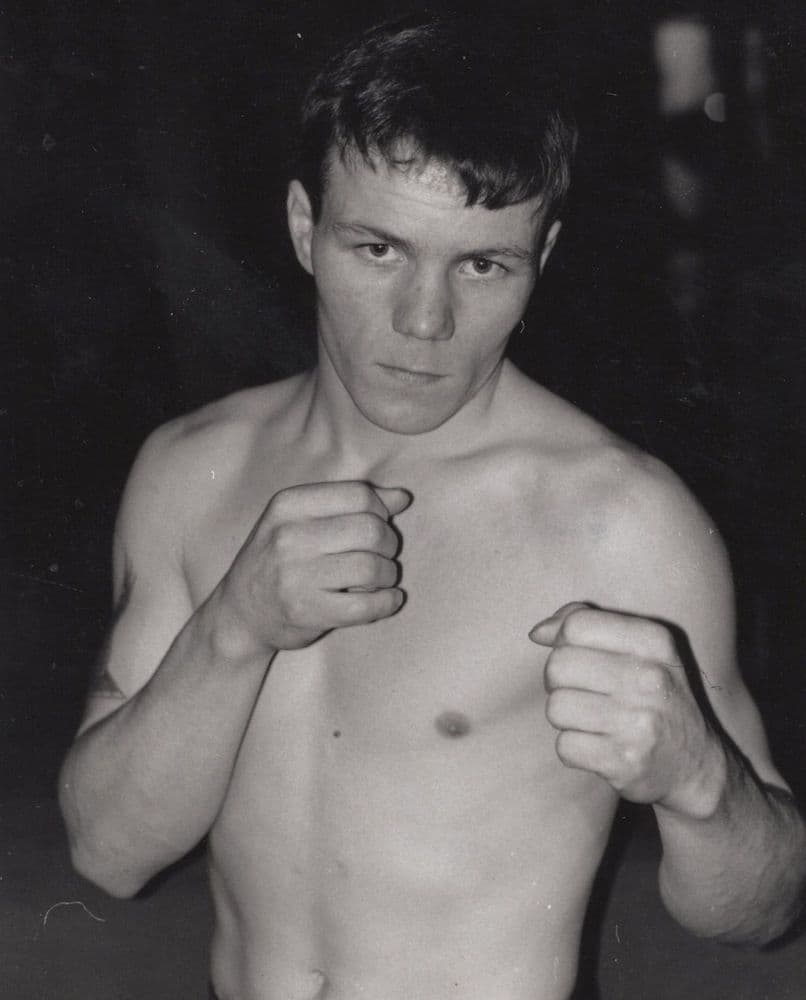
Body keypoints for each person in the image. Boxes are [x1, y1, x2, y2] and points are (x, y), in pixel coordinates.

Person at [59, 16, 806, 1000]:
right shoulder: (190, 469)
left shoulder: (620, 519)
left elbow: (762, 914)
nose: (424, 321)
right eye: (379, 249)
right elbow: (108, 853)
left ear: (542, 255)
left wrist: (701, 780)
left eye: (481, 264)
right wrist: (234, 625)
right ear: (304, 228)